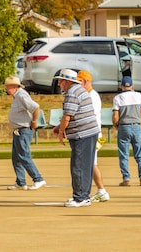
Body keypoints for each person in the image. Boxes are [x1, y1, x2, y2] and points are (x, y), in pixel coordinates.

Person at [51, 69, 99, 207]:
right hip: (89, 132)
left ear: (66, 82)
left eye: (60, 81)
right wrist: (59, 127)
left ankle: (80, 198)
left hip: (82, 134)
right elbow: (71, 115)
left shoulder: (72, 93)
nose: (59, 84)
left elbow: (67, 116)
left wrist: (61, 132)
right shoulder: (81, 90)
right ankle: (84, 196)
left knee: (78, 166)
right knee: (85, 165)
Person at [4, 76, 46, 190]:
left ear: (13, 87)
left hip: (23, 130)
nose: (6, 89)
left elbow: (35, 107)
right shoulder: (17, 96)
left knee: (23, 155)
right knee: (16, 157)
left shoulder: (21, 95)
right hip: (18, 130)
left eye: (7, 87)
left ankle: (38, 179)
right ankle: (21, 182)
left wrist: (34, 121)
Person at [75, 70, 110, 203]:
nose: (77, 85)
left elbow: (89, 115)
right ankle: (100, 191)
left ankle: (101, 191)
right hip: (92, 133)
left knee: (91, 163)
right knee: (91, 163)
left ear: (85, 81)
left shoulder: (92, 96)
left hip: (94, 134)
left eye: (79, 82)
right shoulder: (87, 94)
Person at [112, 75, 141, 186]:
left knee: (124, 154)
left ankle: (126, 178)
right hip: (137, 126)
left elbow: (115, 116)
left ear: (121, 86)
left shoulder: (117, 98)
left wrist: (116, 125)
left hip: (124, 126)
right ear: (132, 86)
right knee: (139, 154)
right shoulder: (138, 95)